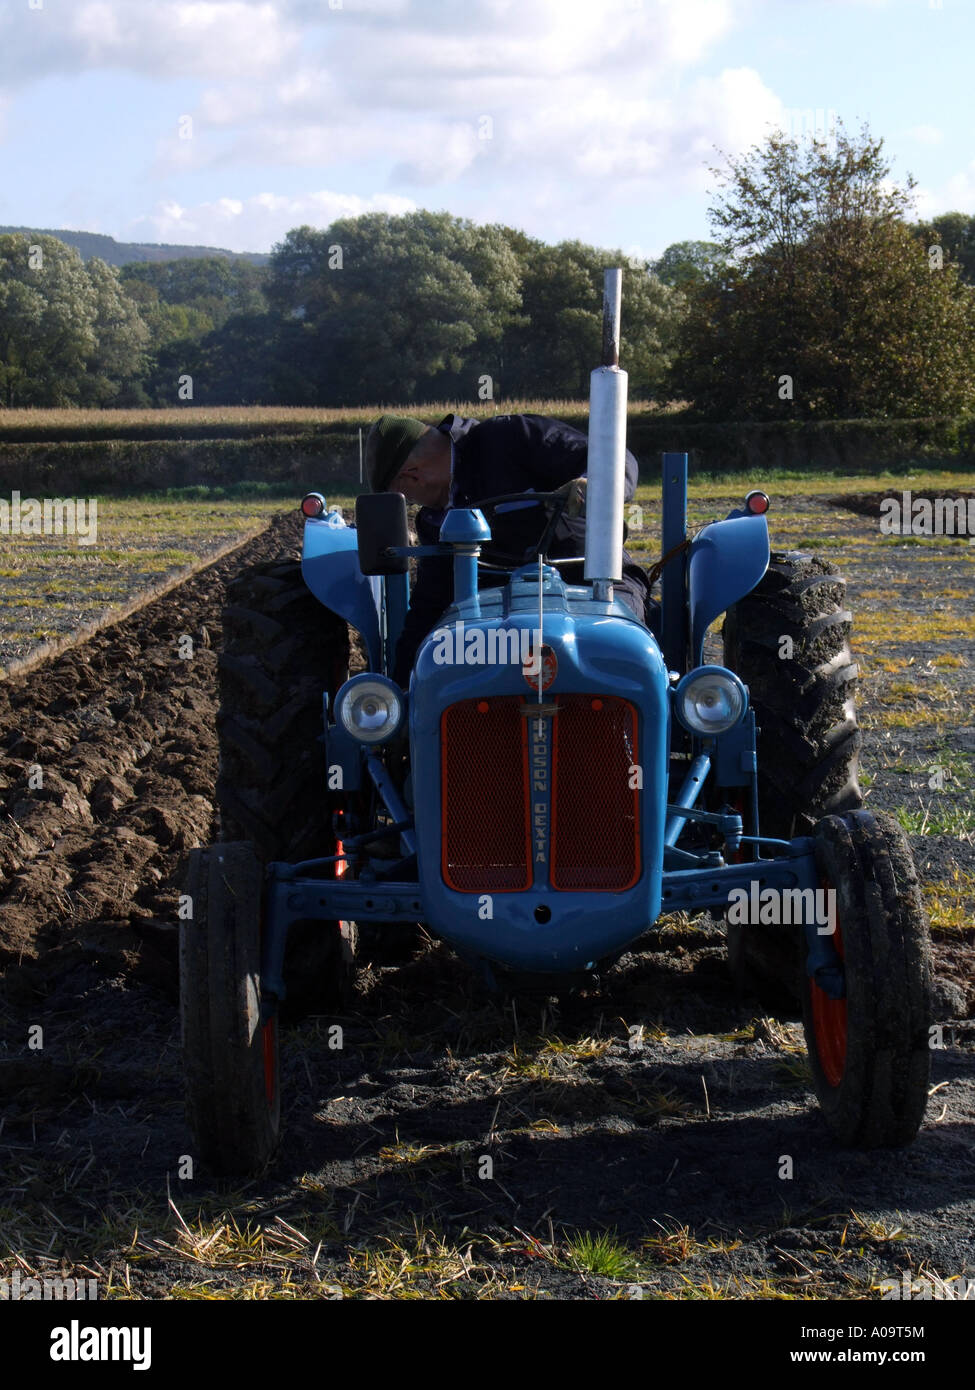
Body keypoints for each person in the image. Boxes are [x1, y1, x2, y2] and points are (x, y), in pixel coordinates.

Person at [364, 411, 654, 686]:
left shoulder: (508, 437)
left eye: (409, 498)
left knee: (622, 647)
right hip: (497, 617)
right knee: (453, 662)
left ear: (413, 476)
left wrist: (591, 485)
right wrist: (400, 690)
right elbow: (429, 606)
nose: (417, 506)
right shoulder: (433, 523)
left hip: (593, 579)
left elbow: (614, 460)